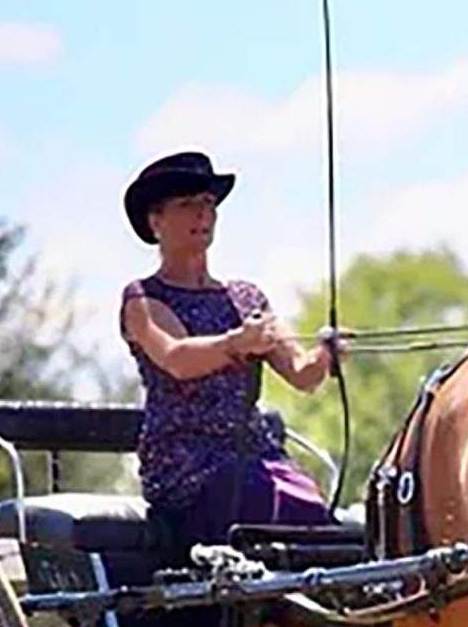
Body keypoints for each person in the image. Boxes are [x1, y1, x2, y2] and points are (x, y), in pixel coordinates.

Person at [120, 151, 342, 550]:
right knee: (266, 499)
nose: (202, 216)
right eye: (187, 205)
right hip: (187, 464)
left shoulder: (246, 298)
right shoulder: (143, 300)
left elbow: (303, 375)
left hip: (254, 456)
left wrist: (326, 352)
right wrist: (235, 343)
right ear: (156, 221)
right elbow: (176, 358)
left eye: (208, 205)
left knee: (309, 504)